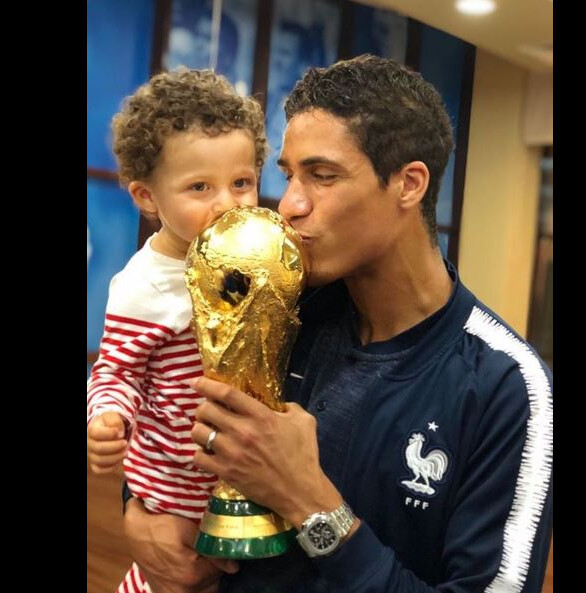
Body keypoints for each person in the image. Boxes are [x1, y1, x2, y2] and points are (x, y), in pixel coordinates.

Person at [123, 54, 553, 593]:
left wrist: (308, 500)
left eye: (322, 176)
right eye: (286, 176)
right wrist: (139, 514)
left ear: (408, 184)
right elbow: (165, 402)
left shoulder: (507, 385)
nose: (292, 204)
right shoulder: (275, 302)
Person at [86, 67, 267, 593]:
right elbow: (116, 370)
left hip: (240, 483)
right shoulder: (143, 286)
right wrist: (108, 418)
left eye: (242, 183)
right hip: (173, 492)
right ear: (147, 197)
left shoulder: (255, 255)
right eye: (199, 187)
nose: (228, 204)